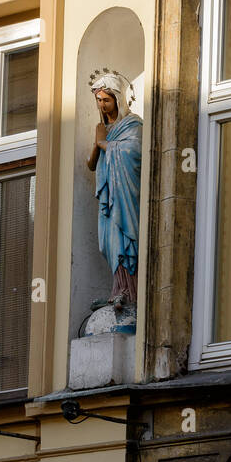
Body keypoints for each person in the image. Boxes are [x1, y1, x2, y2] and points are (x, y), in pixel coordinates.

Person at [86, 71, 142, 318]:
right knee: (109, 242)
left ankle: (130, 292)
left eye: (106, 100)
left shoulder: (133, 125)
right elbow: (91, 164)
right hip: (108, 198)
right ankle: (117, 289)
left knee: (123, 240)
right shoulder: (103, 128)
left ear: (118, 99)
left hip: (125, 195)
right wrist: (98, 142)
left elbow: (135, 153)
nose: (102, 105)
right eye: (99, 100)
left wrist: (103, 143)